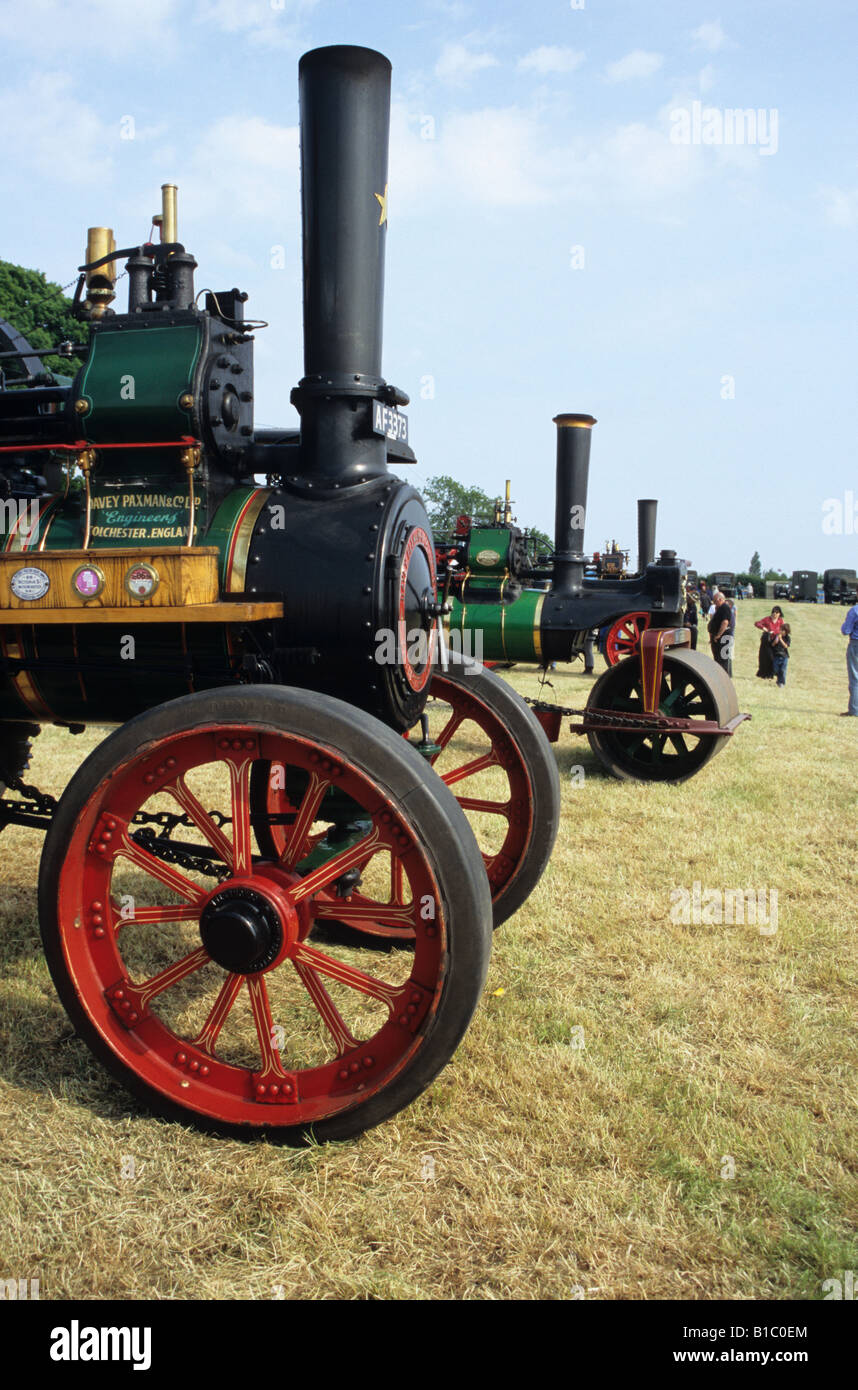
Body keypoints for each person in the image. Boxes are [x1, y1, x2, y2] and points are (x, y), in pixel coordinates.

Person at [754, 605, 784, 680]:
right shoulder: (767, 619)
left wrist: (779, 636)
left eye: (776, 613)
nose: (774, 614)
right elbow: (757, 623)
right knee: (765, 658)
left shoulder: (780, 621)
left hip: (776, 641)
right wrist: (764, 628)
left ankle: (772, 674)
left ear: (779, 614)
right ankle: (764, 674)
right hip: (767, 641)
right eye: (773, 612)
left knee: (773, 658)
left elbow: (783, 629)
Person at [840, 599, 858, 715]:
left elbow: (846, 630)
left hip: (856, 644)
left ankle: (854, 709)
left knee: (855, 677)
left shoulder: (854, 611)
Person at [708, 590, 733, 673]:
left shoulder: (724, 608)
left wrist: (718, 635)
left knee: (723, 658)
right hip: (718, 638)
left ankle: (723, 675)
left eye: (715, 601)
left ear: (720, 599)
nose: (714, 603)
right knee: (718, 658)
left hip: (723, 638)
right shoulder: (719, 608)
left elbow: (725, 622)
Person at [771, 622, 790, 687]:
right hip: (776, 655)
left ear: (786, 631)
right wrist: (776, 641)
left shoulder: (787, 638)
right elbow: (772, 644)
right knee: (775, 669)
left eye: (782, 630)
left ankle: (781, 683)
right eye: (780, 629)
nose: (780, 631)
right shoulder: (777, 636)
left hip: (784, 656)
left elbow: (786, 646)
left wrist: (781, 639)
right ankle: (778, 679)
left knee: (782, 670)